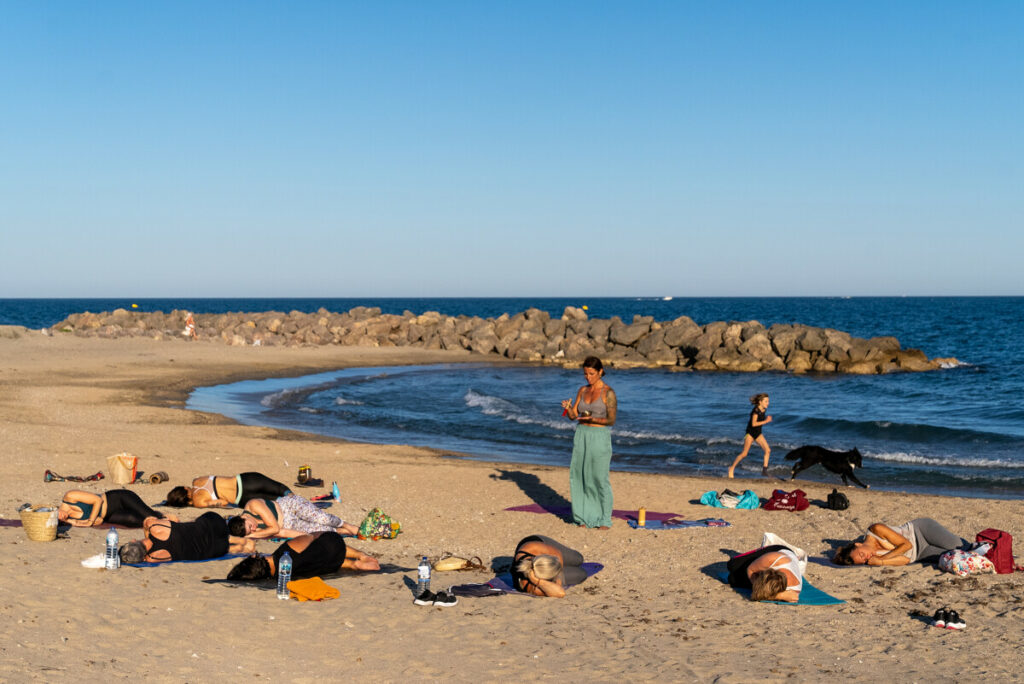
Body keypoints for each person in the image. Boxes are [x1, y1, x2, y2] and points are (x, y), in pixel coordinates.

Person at [560, 356, 616, 529]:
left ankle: (604, 519)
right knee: (579, 476)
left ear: (600, 372)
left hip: (599, 436)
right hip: (581, 434)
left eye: (591, 373)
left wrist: (593, 419)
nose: (588, 377)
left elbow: (611, 420)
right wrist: (568, 408)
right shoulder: (582, 390)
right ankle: (582, 517)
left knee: (599, 477)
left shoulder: (608, 393)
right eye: (585, 374)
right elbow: (573, 416)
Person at [226, 531, 379, 581]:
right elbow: (311, 537)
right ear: (254, 558)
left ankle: (352, 564)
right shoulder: (284, 552)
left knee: (313, 559)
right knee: (318, 539)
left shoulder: (281, 575)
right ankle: (360, 556)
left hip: (329, 566)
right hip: (334, 545)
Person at [118, 511, 254, 564]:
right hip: (212, 523)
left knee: (227, 548)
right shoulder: (155, 527)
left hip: (215, 550)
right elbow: (173, 518)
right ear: (133, 540)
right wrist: (147, 528)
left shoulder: (153, 558)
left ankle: (238, 546)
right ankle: (235, 539)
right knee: (200, 528)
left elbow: (147, 558)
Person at [832, 519, 968, 566]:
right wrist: (881, 563)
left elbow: (907, 545)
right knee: (958, 557)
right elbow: (906, 560)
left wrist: (882, 559)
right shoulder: (874, 558)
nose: (866, 557)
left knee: (958, 546)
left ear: (858, 544)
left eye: (862, 554)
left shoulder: (876, 530)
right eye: (863, 560)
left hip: (920, 531)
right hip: (920, 553)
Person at [227, 495, 359, 540]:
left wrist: (252, 535)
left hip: (289, 506)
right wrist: (309, 536)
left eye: (250, 526)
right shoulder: (254, 531)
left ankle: (347, 525)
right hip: (288, 525)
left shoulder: (253, 505)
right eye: (250, 531)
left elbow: (274, 528)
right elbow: (282, 532)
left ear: (243, 517)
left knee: (321, 518)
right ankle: (344, 532)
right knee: (321, 532)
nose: (254, 529)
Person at [511, 534, 589, 598]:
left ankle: (557, 566)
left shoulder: (530, 548)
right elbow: (560, 593)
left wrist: (558, 577)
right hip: (539, 575)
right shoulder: (527, 585)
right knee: (581, 574)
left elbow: (557, 553)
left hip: (540, 544)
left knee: (578, 558)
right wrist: (537, 581)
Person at [58, 488, 178, 528]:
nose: (61, 518)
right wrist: (71, 522)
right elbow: (98, 521)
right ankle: (161, 519)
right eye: (59, 521)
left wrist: (90, 521)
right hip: (110, 515)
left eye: (57, 516)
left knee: (153, 517)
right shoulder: (69, 519)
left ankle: (167, 518)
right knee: (142, 522)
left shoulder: (70, 496)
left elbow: (97, 500)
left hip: (118, 498)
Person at [165, 472, 291, 508]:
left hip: (242, 498)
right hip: (245, 480)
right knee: (279, 488)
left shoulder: (199, 502)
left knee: (278, 500)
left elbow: (224, 502)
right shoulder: (197, 480)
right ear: (185, 488)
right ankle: (294, 497)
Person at [726, 544, 802, 602]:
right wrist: (756, 586)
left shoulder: (793, 588)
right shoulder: (775, 558)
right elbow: (750, 569)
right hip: (777, 551)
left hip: (770, 579)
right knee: (732, 565)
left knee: (732, 579)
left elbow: (794, 598)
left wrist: (779, 595)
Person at [728, 393, 772, 478]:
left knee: (768, 450)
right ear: (760, 402)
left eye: (768, 401)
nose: (768, 403)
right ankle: (731, 468)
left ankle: (764, 471)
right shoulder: (755, 411)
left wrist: (765, 421)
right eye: (766, 401)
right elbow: (754, 424)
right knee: (744, 454)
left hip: (758, 434)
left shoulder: (764, 410)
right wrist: (766, 421)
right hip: (750, 434)